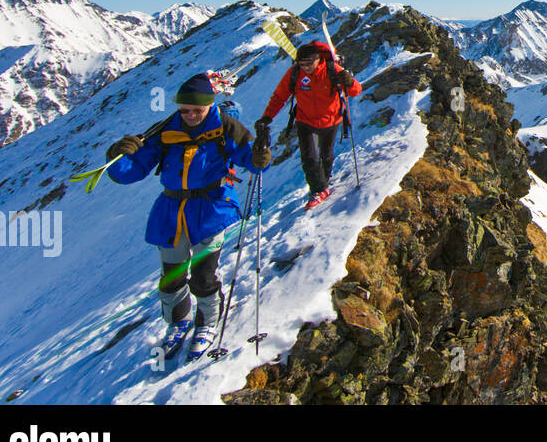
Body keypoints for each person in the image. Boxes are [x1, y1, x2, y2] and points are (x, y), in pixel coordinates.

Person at [106, 72, 272, 359]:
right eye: (185, 110)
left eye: (198, 110)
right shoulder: (164, 131)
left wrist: (259, 157)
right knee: (171, 276)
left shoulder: (227, 128)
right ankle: (178, 322)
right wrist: (118, 156)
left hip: (210, 209)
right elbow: (132, 172)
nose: (191, 115)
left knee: (203, 276)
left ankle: (207, 322)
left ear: (210, 105)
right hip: (171, 214)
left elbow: (251, 160)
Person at [256, 40, 360, 208]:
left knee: (326, 156)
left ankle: (323, 185)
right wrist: (267, 117)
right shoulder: (295, 73)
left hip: (331, 120)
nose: (305, 67)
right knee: (309, 158)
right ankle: (318, 190)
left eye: (309, 63)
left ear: (318, 59)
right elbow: (279, 97)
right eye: (301, 64)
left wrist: (349, 81)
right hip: (305, 121)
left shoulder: (332, 70)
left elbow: (355, 91)